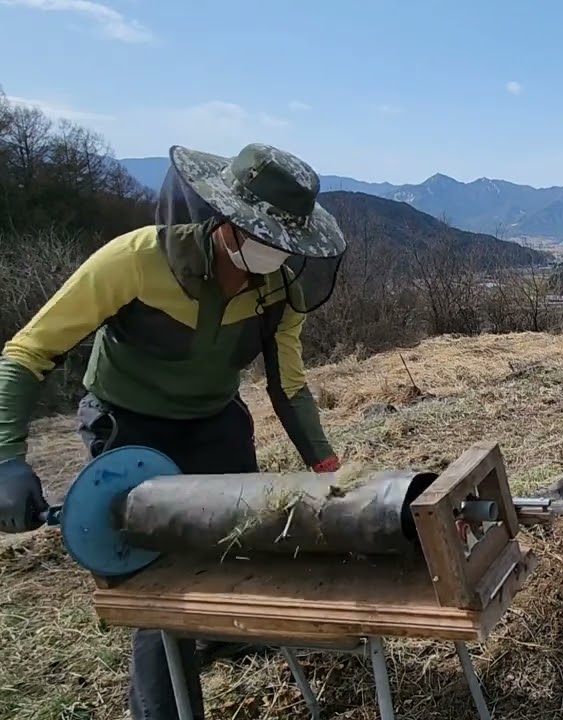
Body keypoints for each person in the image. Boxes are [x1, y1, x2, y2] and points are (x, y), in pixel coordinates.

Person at [0, 142, 348, 719]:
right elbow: (27, 352)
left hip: (214, 423)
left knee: (243, 540)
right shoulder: (133, 260)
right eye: (263, 236)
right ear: (226, 221)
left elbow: (288, 384)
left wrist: (328, 466)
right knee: (164, 581)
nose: (275, 253)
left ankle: (224, 632)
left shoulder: (281, 289)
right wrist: (8, 457)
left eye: (286, 244)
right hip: (130, 428)